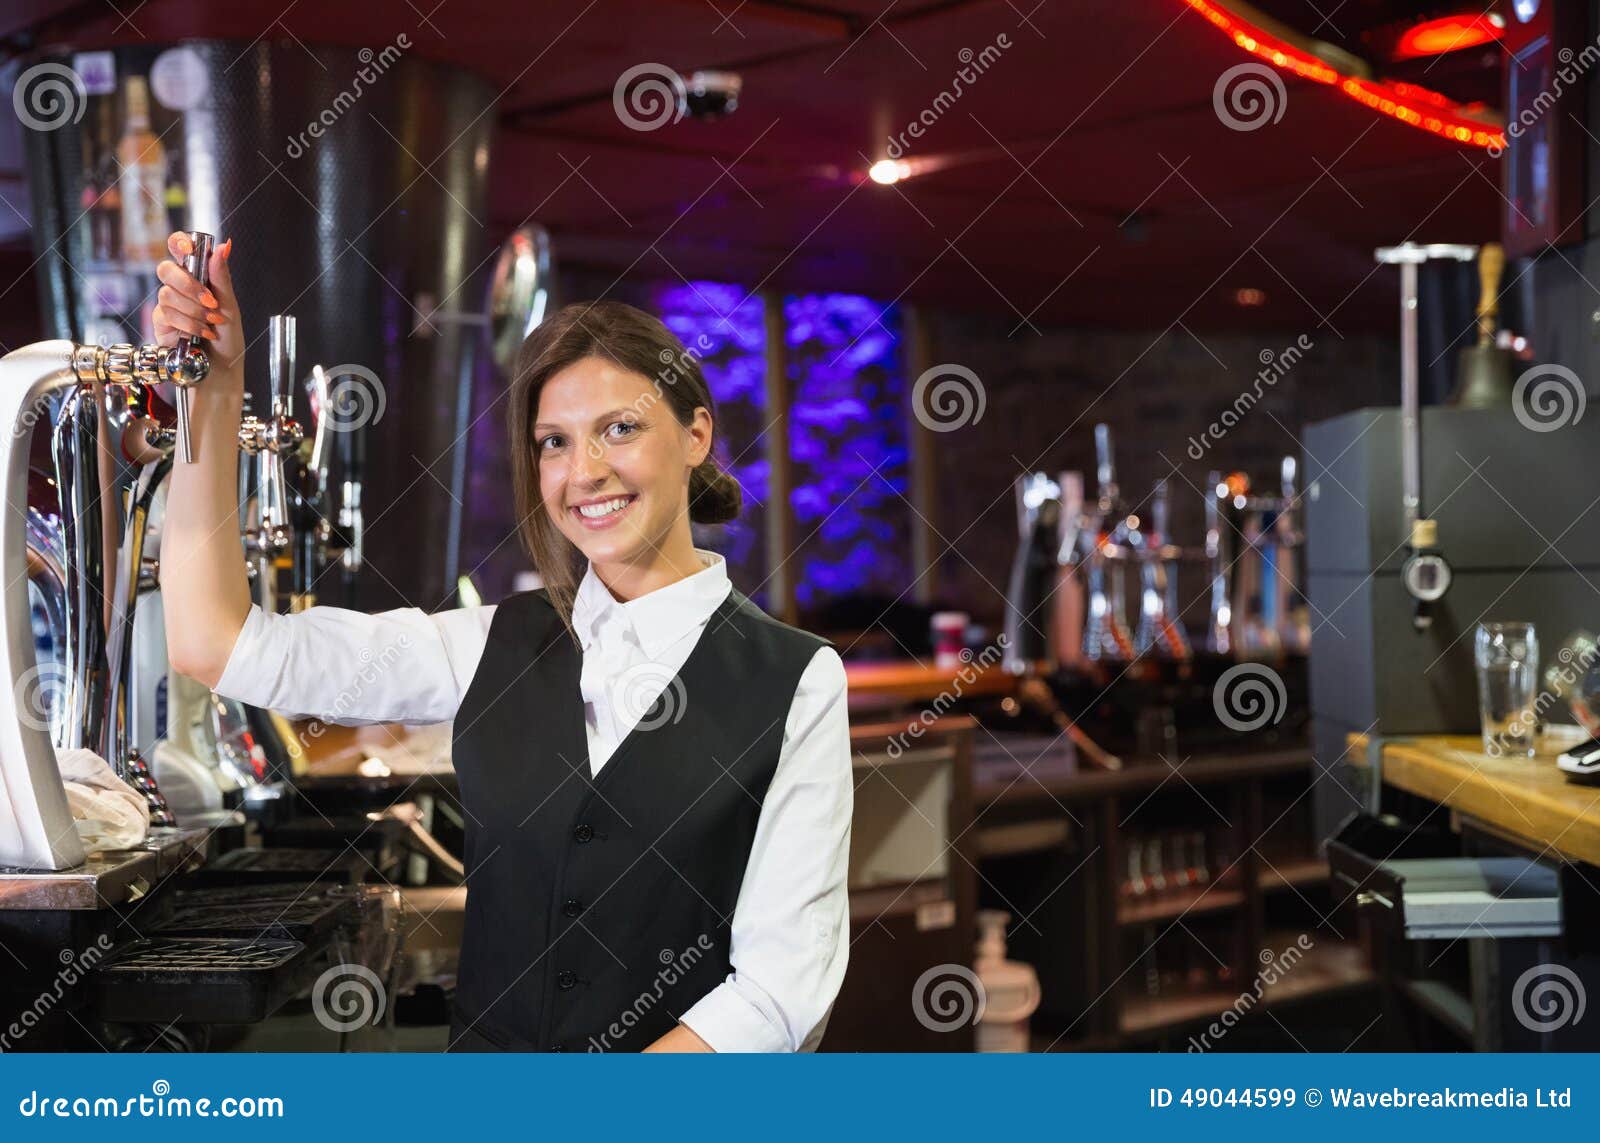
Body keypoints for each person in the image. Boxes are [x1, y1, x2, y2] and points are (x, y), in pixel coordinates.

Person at [152, 232, 853, 1052]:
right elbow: (218, 642)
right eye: (554, 441)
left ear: (696, 435)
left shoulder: (797, 681)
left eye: (619, 428)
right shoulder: (488, 642)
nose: (583, 470)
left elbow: (779, 990)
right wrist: (216, 385)